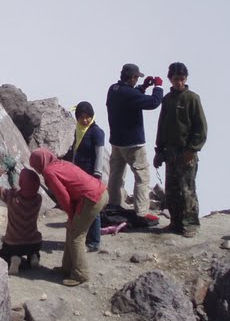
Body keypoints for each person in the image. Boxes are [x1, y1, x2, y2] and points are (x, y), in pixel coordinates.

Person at [28, 148, 108, 287]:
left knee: (77, 235)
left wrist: (70, 213)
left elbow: (63, 196)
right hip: (99, 192)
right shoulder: (59, 163)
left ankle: (81, 274)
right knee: (71, 229)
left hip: (91, 198)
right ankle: (67, 267)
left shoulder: (49, 172)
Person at [153, 62, 208, 237]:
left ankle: (190, 225)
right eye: (176, 79)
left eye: (182, 79)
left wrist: (192, 149)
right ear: (170, 79)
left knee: (187, 190)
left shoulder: (192, 98)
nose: (179, 82)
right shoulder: (167, 100)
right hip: (170, 152)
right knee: (172, 190)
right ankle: (175, 223)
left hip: (187, 152)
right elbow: (162, 126)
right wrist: (159, 150)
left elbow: (201, 128)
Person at [105, 63, 163, 222]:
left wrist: (143, 87)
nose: (137, 80)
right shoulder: (129, 94)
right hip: (133, 144)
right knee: (142, 176)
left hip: (116, 141)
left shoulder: (113, 89)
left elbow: (132, 95)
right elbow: (153, 103)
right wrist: (158, 87)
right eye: (137, 78)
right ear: (132, 78)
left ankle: (113, 204)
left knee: (116, 175)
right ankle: (142, 213)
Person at [63, 101, 105, 252]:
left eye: (88, 117)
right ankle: (83, 239)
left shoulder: (96, 132)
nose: (85, 120)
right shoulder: (79, 130)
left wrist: (97, 174)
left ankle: (94, 242)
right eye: (81, 117)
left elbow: (100, 154)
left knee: (92, 209)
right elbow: (76, 150)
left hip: (91, 176)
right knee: (80, 208)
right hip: (79, 176)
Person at [0, 162, 43, 273]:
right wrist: (13, 186)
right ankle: (33, 256)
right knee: (33, 248)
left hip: (13, 243)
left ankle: (14, 259)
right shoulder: (38, 199)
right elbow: (25, 193)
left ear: (21, 182)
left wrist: (1, 170)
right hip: (34, 242)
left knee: (4, 256)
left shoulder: (10, 197)